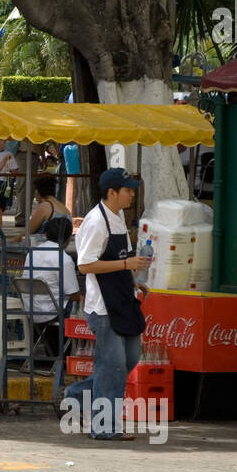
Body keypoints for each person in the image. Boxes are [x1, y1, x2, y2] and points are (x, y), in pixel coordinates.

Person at [66, 167, 149, 441]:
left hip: (124, 299)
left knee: (128, 360)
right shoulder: (95, 222)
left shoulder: (119, 215)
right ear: (112, 193)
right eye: (127, 190)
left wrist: (131, 278)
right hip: (103, 307)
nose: (131, 195)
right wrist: (126, 264)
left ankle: (76, 395)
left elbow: (116, 256)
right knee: (111, 366)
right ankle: (104, 427)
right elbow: (85, 264)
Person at [20, 215, 80, 322]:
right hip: (52, 313)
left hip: (30, 310)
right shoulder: (64, 259)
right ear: (68, 238)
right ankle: (68, 337)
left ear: (46, 235)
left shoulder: (32, 253)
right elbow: (73, 293)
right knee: (78, 302)